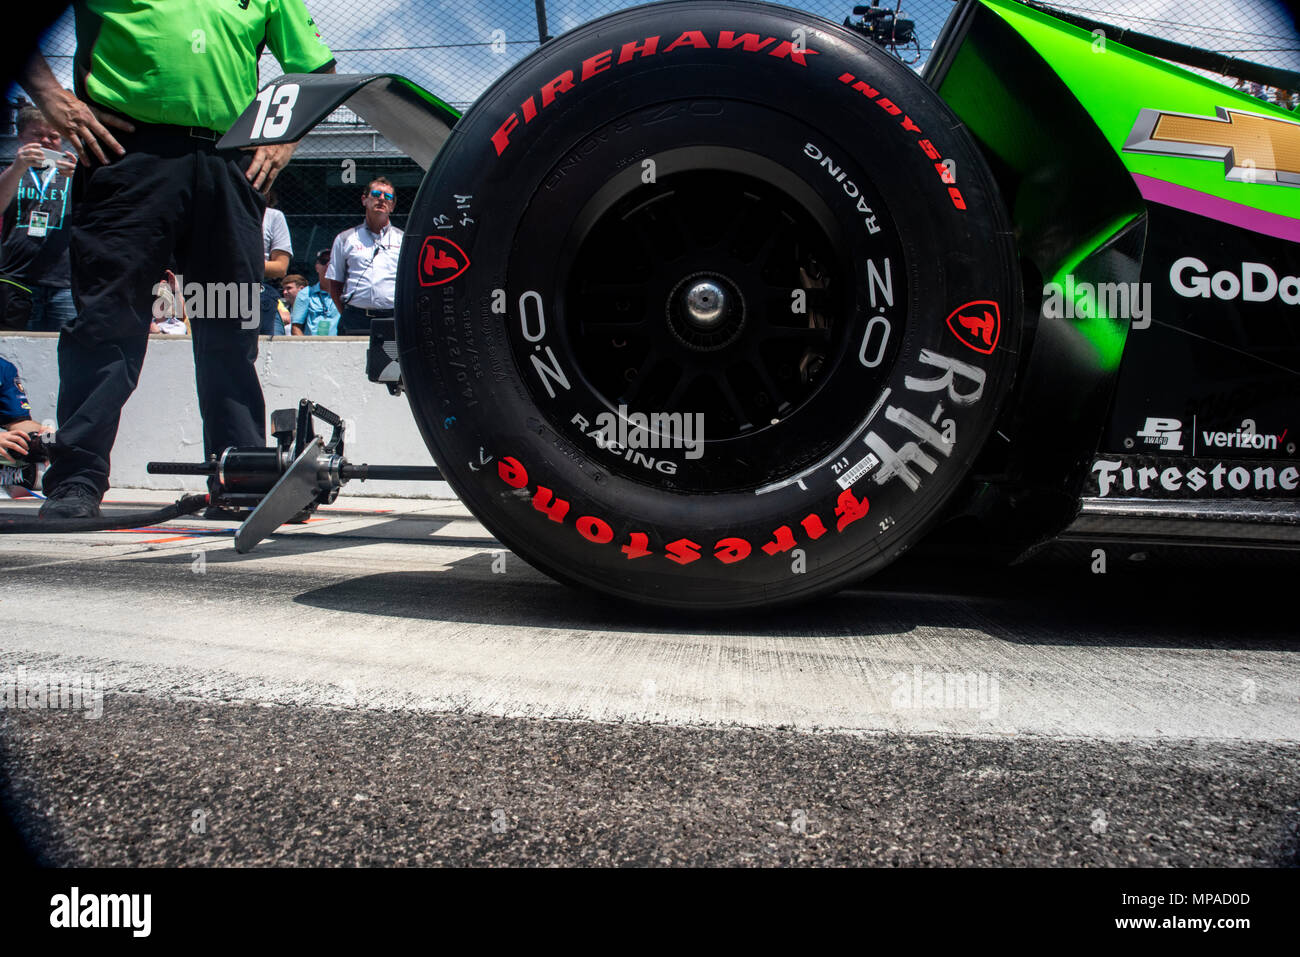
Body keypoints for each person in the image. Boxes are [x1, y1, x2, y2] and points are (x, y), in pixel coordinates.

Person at [19, 0, 335, 519]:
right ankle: (75, 479)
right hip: (127, 156)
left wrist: (287, 139)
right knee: (107, 322)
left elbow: (316, 69)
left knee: (228, 326)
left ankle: (238, 480)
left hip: (231, 165)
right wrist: (52, 96)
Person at [0, 106, 78, 332]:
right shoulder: (11, 171)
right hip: (16, 279)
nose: (46, 141)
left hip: (64, 283)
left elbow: (100, 215)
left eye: (53, 136)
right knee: (13, 350)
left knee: (66, 351)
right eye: (37, 135)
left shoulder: (74, 172)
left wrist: (82, 179)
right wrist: (18, 167)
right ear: (20, 136)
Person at [324, 177, 402, 336]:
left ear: (392, 206)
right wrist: (348, 312)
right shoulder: (345, 238)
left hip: (392, 318)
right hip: (356, 317)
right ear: (364, 200)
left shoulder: (403, 240)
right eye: (376, 194)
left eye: (387, 197)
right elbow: (334, 284)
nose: (381, 199)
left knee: (392, 361)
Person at [259, 191, 293, 335]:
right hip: (218, 295)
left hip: (259, 295)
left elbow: (280, 268)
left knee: (274, 352)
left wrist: (239, 265)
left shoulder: (273, 216)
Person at [286, 270, 339, 336]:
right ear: (317, 266)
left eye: (331, 262)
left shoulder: (345, 293)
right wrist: (308, 345)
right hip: (311, 344)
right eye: (324, 261)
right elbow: (295, 328)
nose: (328, 265)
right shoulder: (306, 293)